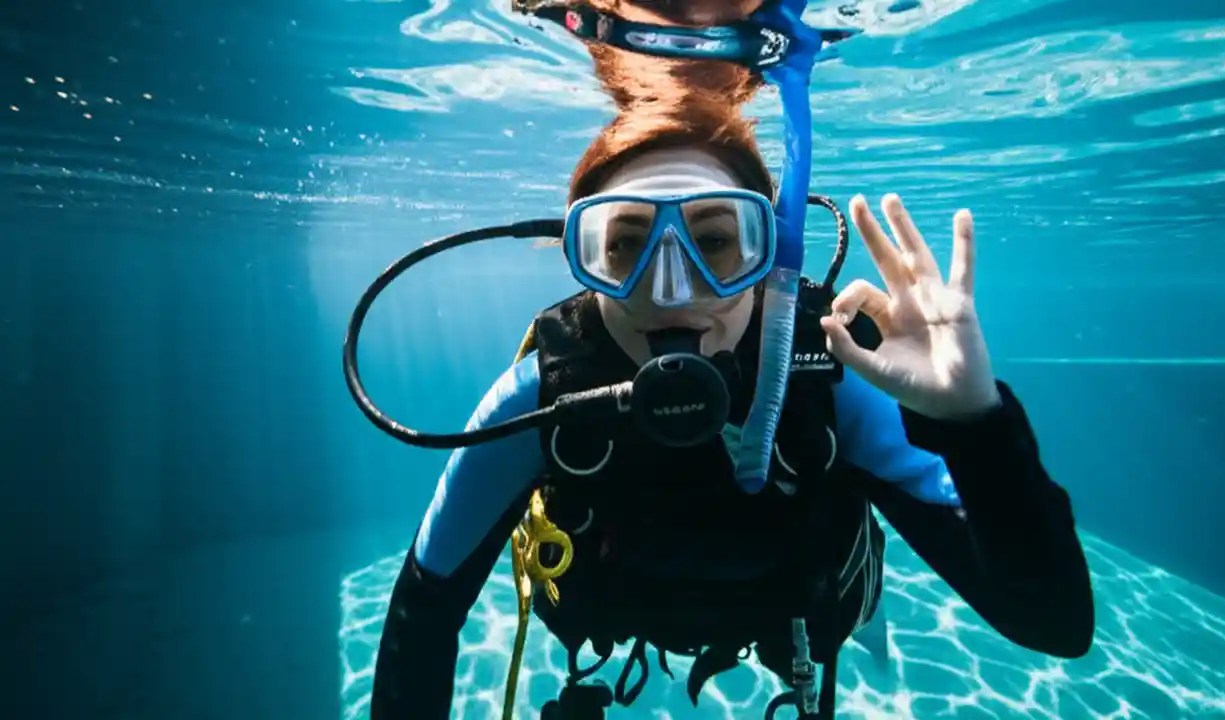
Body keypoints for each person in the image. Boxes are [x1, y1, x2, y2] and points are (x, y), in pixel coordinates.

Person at [357, 4, 1095, 719]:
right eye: (625, 245)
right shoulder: (546, 399)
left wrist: (973, 423)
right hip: (629, 613)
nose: (672, 292)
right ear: (585, 260)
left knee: (857, 603)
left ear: (769, 256)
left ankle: (871, 625)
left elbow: (1056, 624)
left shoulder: (827, 380)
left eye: (714, 242)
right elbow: (424, 614)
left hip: (793, 618)